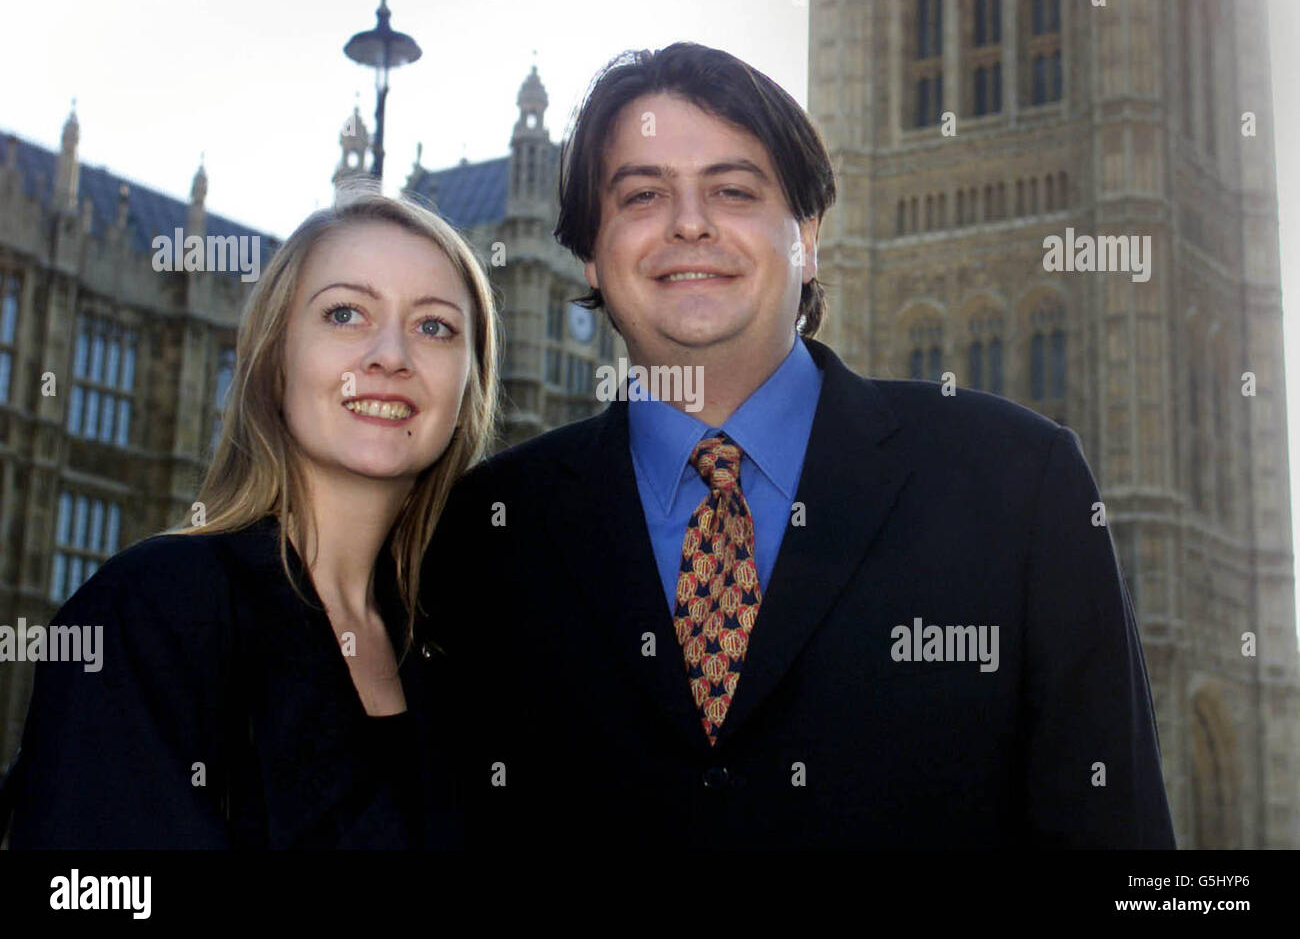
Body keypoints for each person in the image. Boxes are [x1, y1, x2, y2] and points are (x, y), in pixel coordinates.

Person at [422, 42, 1176, 848]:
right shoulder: (487, 530)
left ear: (808, 239)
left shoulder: (1020, 487)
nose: (690, 222)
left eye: (734, 190)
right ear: (591, 256)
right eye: (643, 196)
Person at [7, 190, 499, 849]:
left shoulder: (467, 664)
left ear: (470, 388)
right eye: (346, 313)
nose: (391, 354)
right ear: (273, 360)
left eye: (435, 326)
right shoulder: (149, 613)